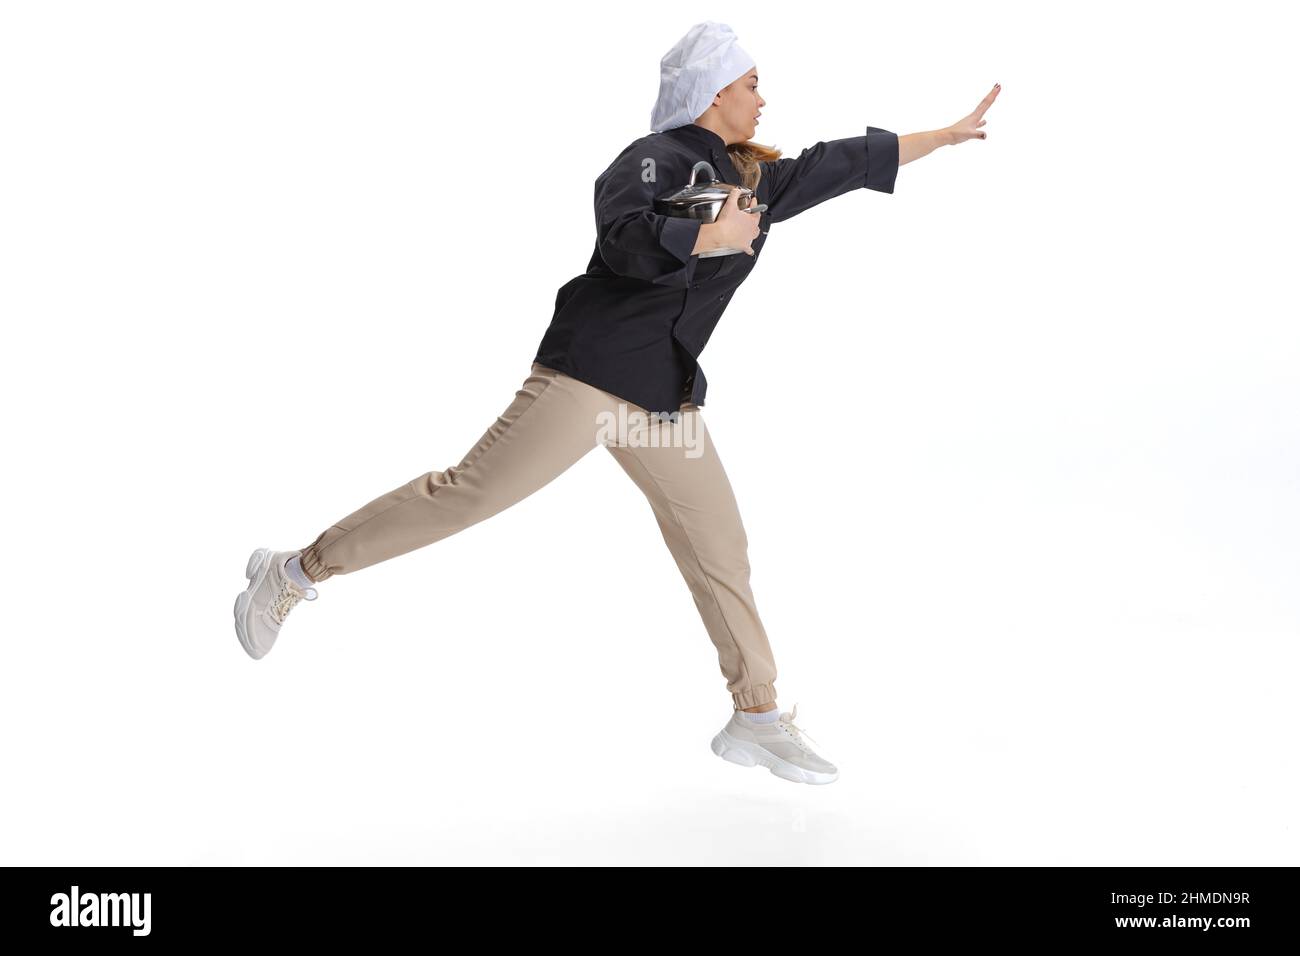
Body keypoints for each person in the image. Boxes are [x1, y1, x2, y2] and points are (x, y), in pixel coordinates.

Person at [233, 20, 1000, 786]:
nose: (764, 100)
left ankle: (756, 716)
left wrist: (945, 134)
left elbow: (839, 164)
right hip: (591, 376)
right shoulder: (652, 158)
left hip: (661, 395)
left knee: (719, 546)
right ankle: (296, 572)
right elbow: (625, 236)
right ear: (713, 95)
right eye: (752, 86)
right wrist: (708, 236)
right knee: (466, 496)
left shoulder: (751, 181)